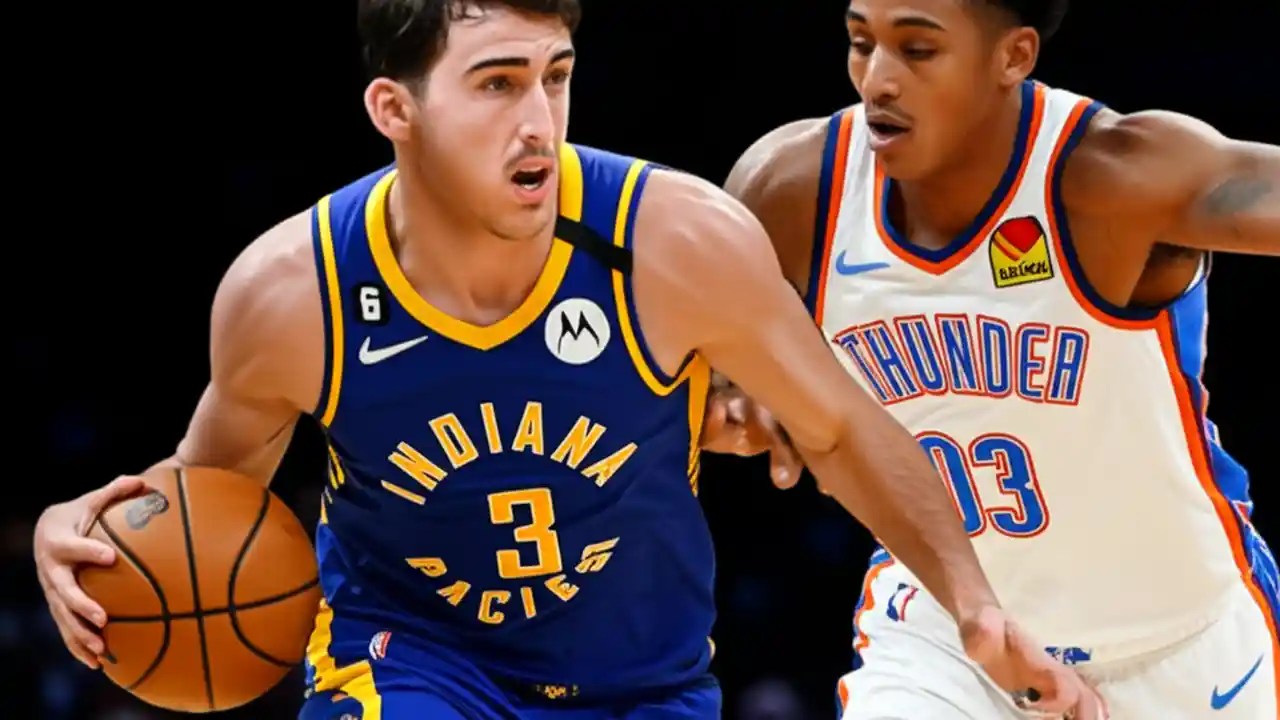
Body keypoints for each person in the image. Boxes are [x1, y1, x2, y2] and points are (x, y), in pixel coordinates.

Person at [32, 1, 1102, 719]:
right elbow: (201, 507)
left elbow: (840, 431)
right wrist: (75, 536)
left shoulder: (673, 241)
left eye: (555, 76)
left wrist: (973, 609)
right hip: (409, 659)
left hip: (644, 680)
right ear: (393, 110)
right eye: (496, 84)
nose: (538, 120)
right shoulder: (291, 292)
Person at [721, 0, 1280, 717]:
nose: (878, 81)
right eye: (862, 44)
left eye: (918, 51)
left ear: (1012, 57)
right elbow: (694, 364)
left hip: (1181, 642)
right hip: (947, 635)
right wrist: (738, 386)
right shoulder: (793, 190)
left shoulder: (1111, 179)